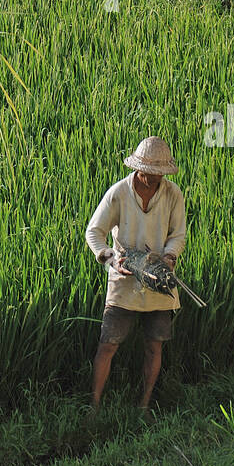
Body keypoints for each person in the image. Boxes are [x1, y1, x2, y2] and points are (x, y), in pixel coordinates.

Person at [85, 136, 186, 412]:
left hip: (159, 280)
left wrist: (168, 257)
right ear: (138, 169)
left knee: (154, 346)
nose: (153, 179)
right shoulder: (118, 193)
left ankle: (143, 405)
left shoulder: (172, 194)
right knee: (108, 344)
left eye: (158, 174)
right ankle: (93, 406)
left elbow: (178, 235)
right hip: (124, 279)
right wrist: (109, 257)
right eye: (148, 173)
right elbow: (94, 232)